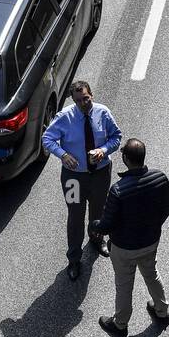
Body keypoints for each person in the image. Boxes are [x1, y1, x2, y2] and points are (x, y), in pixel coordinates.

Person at [89, 138, 169, 336]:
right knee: (151, 273)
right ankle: (161, 310)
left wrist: (94, 224)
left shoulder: (118, 190)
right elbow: (167, 208)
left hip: (124, 248)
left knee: (124, 285)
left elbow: (107, 225)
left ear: (126, 158)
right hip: (150, 242)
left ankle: (120, 324)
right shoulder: (160, 178)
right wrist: (153, 227)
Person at [42, 80, 122, 281]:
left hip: (100, 173)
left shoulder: (103, 113)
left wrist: (103, 150)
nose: (83, 103)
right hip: (73, 177)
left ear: (92, 95)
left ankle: (96, 240)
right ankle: (74, 259)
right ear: (73, 100)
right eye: (78, 100)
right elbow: (47, 138)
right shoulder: (65, 117)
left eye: (85, 98)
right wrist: (63, 154)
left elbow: (116, 137)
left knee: (98, 210)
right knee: (75, 217)